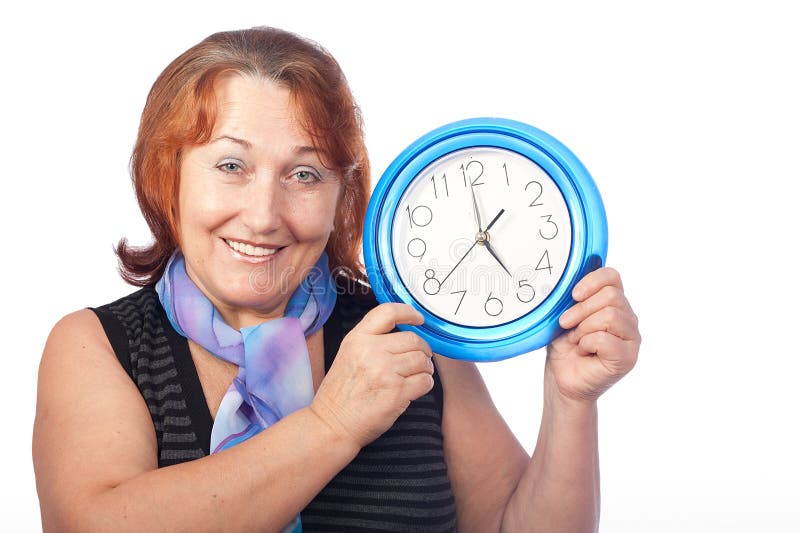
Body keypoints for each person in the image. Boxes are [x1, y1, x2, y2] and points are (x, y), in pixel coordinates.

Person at [32, 27, 640, 532]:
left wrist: (570, 402)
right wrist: (333, 424)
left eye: (304, 175)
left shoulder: (413, 328)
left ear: (343, 196)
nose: (264, 215)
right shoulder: (97, 346)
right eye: (231, 165)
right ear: (169, 178)